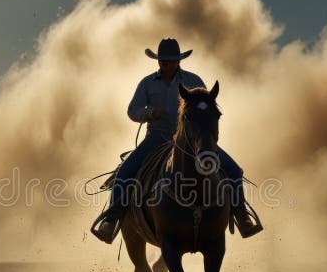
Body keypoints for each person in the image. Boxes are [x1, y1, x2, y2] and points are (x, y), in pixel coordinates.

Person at [92, 38, 262, 243]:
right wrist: (149, 112)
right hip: (157, 137)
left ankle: (242, 216)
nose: (167, 64)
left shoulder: (194, 80)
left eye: (171, 60)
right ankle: (111, 219)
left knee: (234, 170)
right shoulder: (147, 83)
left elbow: (206, 109)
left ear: (178, 61)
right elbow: (132, 110)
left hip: (193, 140)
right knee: (125, 172)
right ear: (158, 61)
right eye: (164, 60)